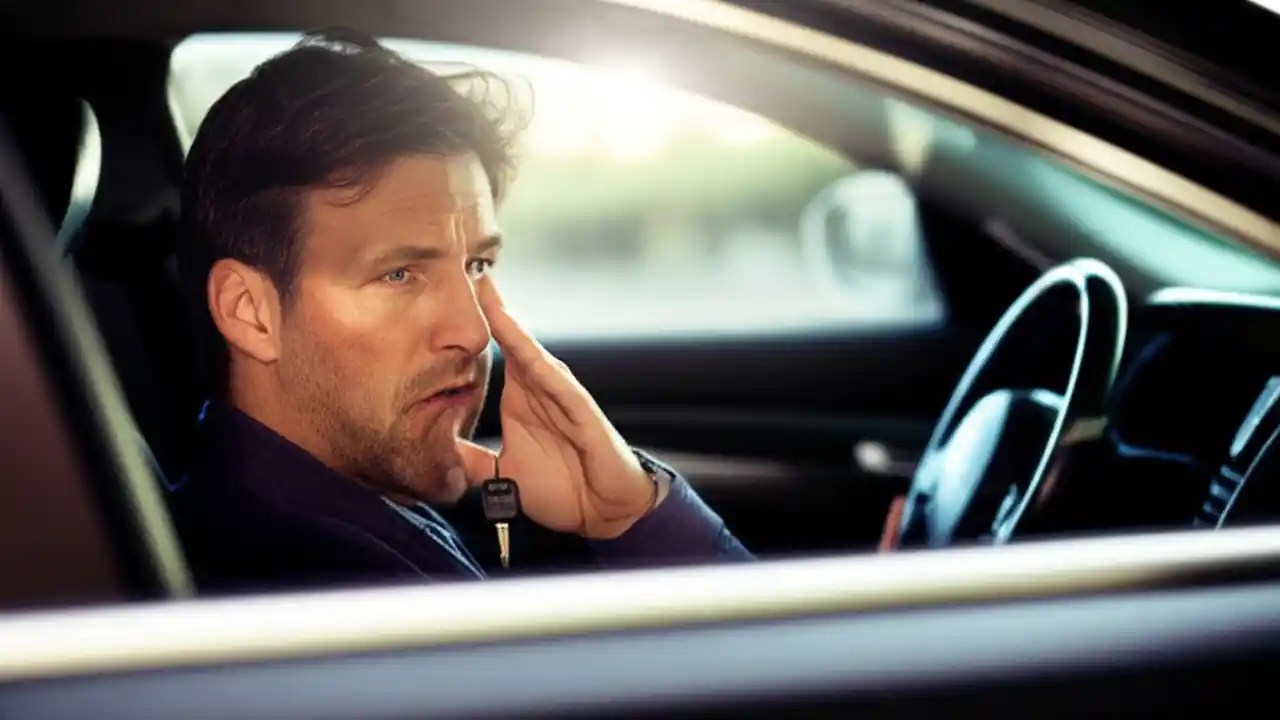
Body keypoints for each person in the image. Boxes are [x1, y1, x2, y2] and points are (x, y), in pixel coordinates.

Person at [170, 28, 752, 593]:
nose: (473, 333)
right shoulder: (328, 597)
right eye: (399, 275)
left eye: (477, 265)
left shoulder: (343, 506)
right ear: (250, 312)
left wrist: (625, 509)